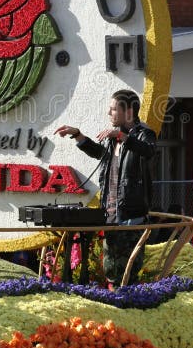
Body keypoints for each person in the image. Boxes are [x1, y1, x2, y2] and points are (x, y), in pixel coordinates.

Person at [55, 89, 156, 287]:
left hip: (131, 216)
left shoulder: (145, 134)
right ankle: (115, 307)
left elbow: (148, 150)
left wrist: (122, 136)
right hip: (111, 214)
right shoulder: (113, 137)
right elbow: (100, 154)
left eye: (113, 109)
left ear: (128, 112)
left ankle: (130, 310)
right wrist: (78, 135)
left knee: (129, 273)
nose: (109, 113)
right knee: (110, 270)